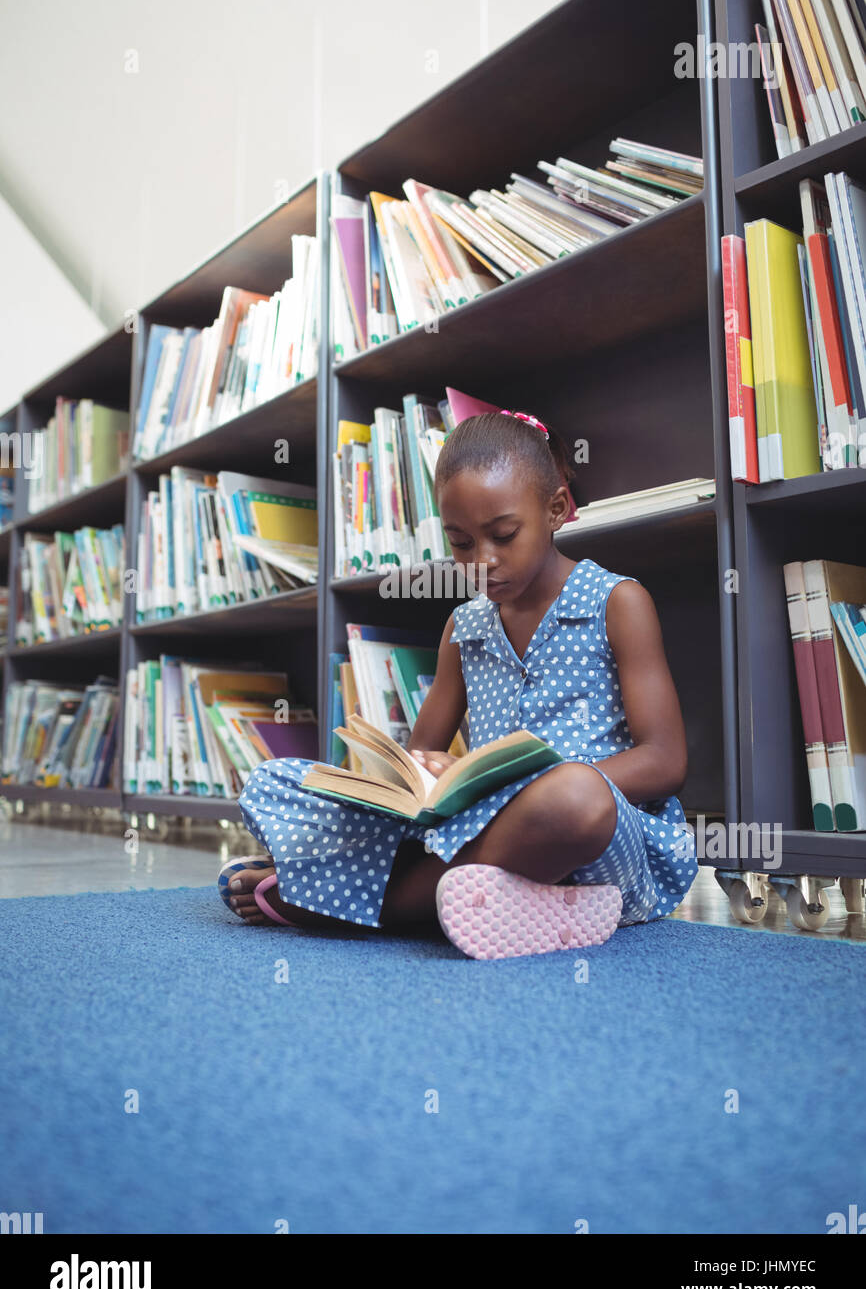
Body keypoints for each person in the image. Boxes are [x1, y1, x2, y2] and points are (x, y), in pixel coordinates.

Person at [219, 409, 697, 959]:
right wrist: (422, 775)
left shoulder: (618, 603)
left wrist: (525, 789)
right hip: (477, 831)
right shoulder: (462, 628)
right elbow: (419, 762)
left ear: (558, 509)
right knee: (274, 781)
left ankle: (369, 905)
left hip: (596, 836)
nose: (482, 561)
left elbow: (665, 762)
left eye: (503, 535)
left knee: (574, 798)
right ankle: (526, 906)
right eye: (461, 543)